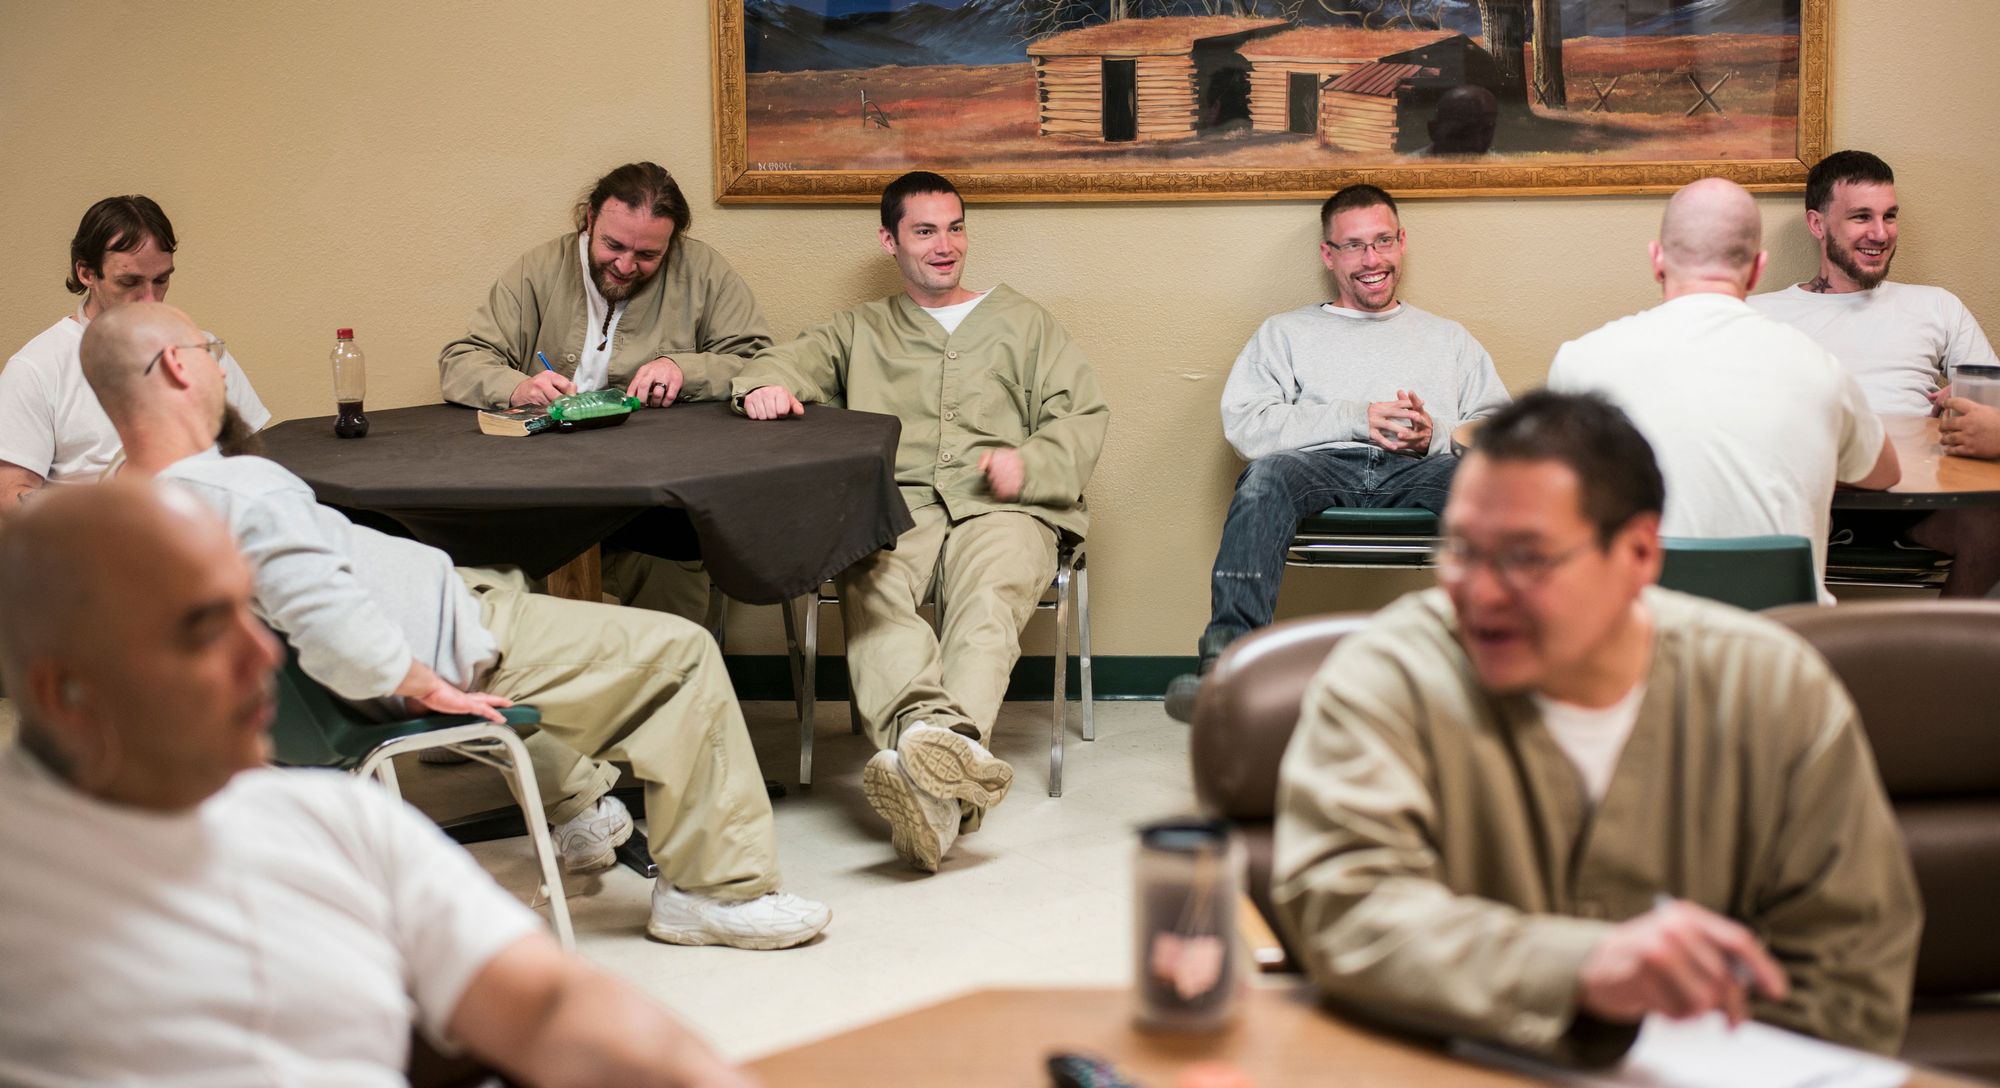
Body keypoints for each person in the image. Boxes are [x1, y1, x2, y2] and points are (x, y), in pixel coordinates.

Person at [82, 301, 830, 951]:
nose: (219, 369)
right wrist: (417, 683)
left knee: (537, 586)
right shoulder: (237, 487)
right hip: (448, 638)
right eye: (210, 353)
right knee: (681, 653)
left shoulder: (128, 506)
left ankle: (580, 806)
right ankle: (717, 893)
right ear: (178, 368)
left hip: (428, 623)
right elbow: (323, 614)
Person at [0, 480, 757, 1087]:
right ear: (66, 695)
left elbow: (553, 1007)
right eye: (204, 628)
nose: (263, 653)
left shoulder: (337, 822)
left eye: (247, 608)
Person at [1271, 391, 1920, 1065]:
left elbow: (1852, 971)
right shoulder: (1390, 676)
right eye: (1461, 549)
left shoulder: (1774, 690)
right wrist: (1582, 969)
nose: (1481, 593)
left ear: (1639, 551)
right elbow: (1346, 908)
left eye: (1526, 557)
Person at [733, 171, 1108, 873]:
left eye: (956, 227)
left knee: (989, 596)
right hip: (897, 507)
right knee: (868, 582)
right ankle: (939, 757)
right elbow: (781, 361)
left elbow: (1081, 417)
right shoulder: (859, 329)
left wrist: (1031, 463)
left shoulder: (1026, 323)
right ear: (889, 240)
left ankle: (933, 780)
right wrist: (769, 386)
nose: (946, 246)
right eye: (925, 230)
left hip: (1005, 507)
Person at [1164, 183, 1510, 721]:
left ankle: (1508, 660)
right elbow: (1246, 427)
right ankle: (1227, 668)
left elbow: (1498, 437)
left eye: (1382, 241)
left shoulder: (1450, 340)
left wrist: (1433, 435)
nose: (1371, 260)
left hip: (1422, 468)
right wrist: (1356, 419)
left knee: (1495, 495)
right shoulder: (1284, 333)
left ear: (1401, 243)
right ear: (1328, 254)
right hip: (1315, 468)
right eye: (1353, 245)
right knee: (1263, 479)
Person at [438, 161, 774, 622]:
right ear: (589, 218)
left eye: (648, 256)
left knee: (672, 595)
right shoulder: (539, 269)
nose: (625, 265)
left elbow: (756, 361)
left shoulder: (704, 271)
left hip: (652, 499)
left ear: (672, 242)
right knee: (508, 598)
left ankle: (666, 688)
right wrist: (518, 385)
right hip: (543, 495)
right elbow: (460, 361)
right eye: (613, 245)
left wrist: (684, 367)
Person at [1549, 177, 1899, 602]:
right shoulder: (1820, 368)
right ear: (1756, 269)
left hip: (1635, 641)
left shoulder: (1579, 362)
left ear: (1657, 260)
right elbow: (1883, 473)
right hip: (1779, 648)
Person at [1750, 149, 2000, 597]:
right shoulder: (1759, 315)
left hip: (1923, 506)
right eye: (1861, 217)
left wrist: (1976, 415)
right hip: (1806, 500)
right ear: (1817, 224)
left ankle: (1945, 657)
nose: (1880, 233)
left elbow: (1995, 401)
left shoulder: (1936, 305)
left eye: (1890, 216)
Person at [0, 195, 270, 509]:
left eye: (161, 280)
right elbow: (9, 496)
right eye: (130, 281)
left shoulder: (201, 351)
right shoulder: (37, 367)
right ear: (87, 273)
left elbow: (254, 461)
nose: (149, 299)